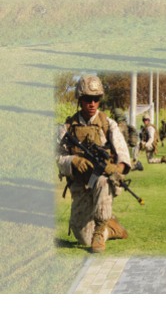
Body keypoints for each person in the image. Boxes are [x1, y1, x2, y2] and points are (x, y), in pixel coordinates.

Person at [56, 75, 132, 253]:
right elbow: (57, 156)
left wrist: (115, 168)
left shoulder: (108, 124)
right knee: (83, 237)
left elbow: (124, 157)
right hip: (80, 184)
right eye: (87, 99)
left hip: (102, 183)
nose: (92, 104)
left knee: (103, 180)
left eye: (96, 99)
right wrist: (73, 160)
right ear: (80, 99)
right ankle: (111, 228)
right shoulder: (67, 128)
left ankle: (100, 230)